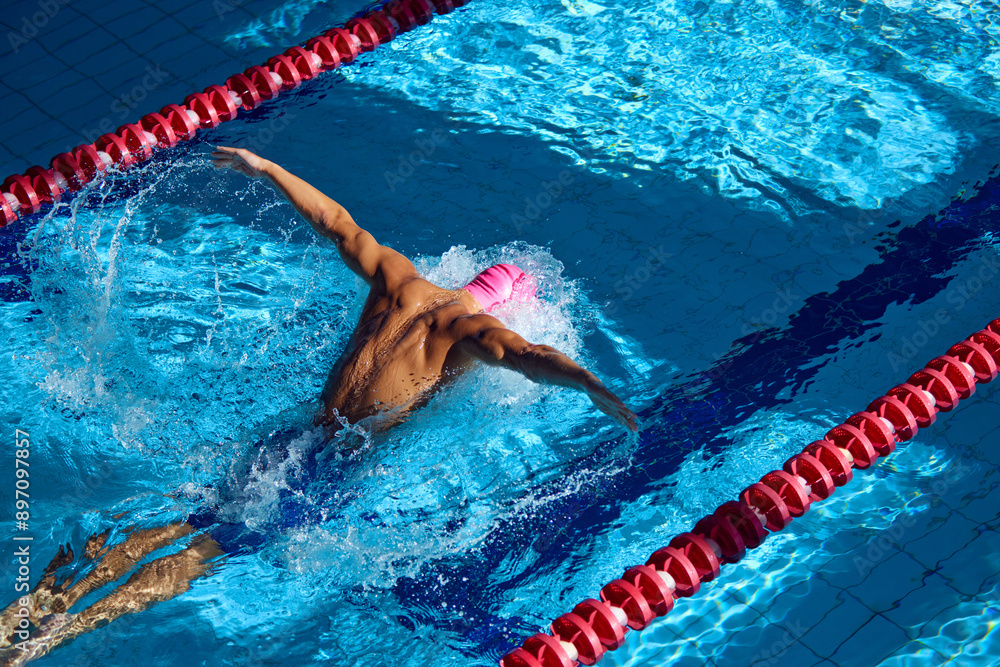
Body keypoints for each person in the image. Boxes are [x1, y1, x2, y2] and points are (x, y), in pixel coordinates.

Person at [209, 146, 638, 432]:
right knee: (209, 551)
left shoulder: (399, 278)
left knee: (191, 525)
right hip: (341, 459)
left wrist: (266, 168)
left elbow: (336, 224)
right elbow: (525, 356)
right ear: (499, 307)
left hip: (305, 429)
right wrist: (585, 381)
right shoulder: (466, 330)